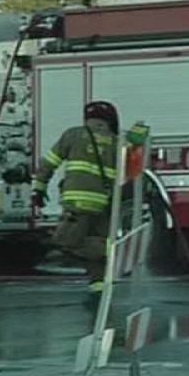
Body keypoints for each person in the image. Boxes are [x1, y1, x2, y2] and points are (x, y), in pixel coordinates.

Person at [30, 101, 120, 300]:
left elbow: (49, 164)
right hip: (104, 205)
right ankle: (98, 284)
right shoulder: (116, 142)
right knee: (96, 238)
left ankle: (111, 250)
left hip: (76, 204)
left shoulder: (72, 135)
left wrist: (39, 189)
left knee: (65, 242)